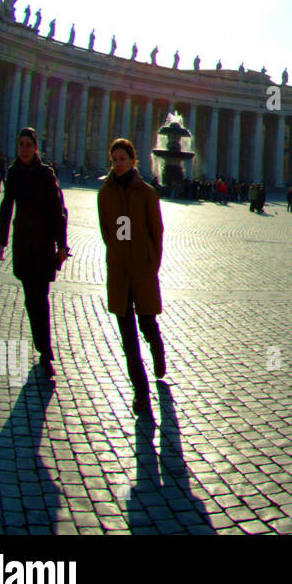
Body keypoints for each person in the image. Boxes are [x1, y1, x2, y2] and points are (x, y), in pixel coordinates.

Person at [97, 138, 166, 416]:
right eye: (114, 160)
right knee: (128, 341)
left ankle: (158, 347)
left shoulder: (146, 193)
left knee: (147, 324)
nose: (118, 164)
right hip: (119, 274)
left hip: (143, 271)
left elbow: (156, 232)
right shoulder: (105, 193)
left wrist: (152, 264)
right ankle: (141, 393)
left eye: (122, 159)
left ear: (133, 161)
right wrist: (117, 254)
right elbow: (107, 232)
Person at [0, 128, 69, 379]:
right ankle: (42, 346)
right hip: (23, 244)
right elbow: (7, 206)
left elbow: (59, 210)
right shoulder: (13, 173)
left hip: (43, 244)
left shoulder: (46, 174)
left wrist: (62, 245)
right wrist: (0, 242)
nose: (24, 149)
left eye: (28, 145)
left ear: (36, 148)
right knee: (30, 299)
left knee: (41, 298)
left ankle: (45, 351)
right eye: (21, 144)